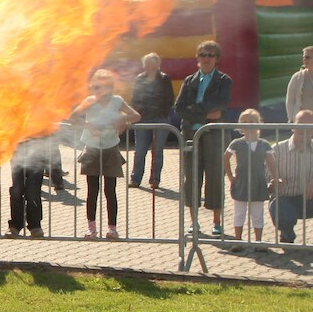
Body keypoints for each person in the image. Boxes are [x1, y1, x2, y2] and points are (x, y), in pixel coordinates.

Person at [70, 69, 140, 239]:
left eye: (104, 86)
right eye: (96, 86)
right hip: (92, 149)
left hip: (111, 148)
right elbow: (73, 117)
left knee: (110, 191)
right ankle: (91, 228)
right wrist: (88, 126)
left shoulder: (117, 101)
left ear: (110, 87)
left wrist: (122, 119)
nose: (99, 90)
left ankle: (112, 228)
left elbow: (136, 115)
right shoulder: (89, 101)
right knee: (92, 191)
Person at [175, 40, 233, 236]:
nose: (206, 58)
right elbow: (179, 108)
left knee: (215, 176)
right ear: (197, 58)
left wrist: (194, 110)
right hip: (190, 134)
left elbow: (219, 107)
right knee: (191, 177)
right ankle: (194, 223)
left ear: (216, 59)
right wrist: (204, 114)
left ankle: (217, 222)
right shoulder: (189, 81)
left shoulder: (224, 80)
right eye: (203, 54)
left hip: (214, 134)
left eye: (210, 55)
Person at [223, 109, 276, 248]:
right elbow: (225, 158)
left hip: (259, 183)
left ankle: (258, 242)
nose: (248, 124)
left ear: (258, 124)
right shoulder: (236, 143)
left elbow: (271, 162)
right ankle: (238, 241)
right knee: (239, 213)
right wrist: (230, 175)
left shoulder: (264, 144)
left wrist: (275, 178)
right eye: (245, 122)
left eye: (252, 121)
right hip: (241, 182)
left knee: (257, 214)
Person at [129, 52, 175, 189]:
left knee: (157, 151)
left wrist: (163, 113)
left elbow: (169, 98)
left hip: (160, 118)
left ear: (158, 64)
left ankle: (155, 179)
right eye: (147, 64)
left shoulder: (164, 78)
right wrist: (138, 112)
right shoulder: (139, 79)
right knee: (140, 151)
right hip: (143, 119)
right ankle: (135, 179)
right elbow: (135, 98)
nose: (149, 66)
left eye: (152, 63)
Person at [269, 109, 313, 244]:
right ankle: (287, 233)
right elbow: (265, 177)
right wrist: (272, 183)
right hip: (286, 198)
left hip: (310, 198)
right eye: (300, 125)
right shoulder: (277, 149)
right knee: (277, 206)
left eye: (309, 126)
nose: (304, 130)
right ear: (293, 126)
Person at [7, 133, 53, 238]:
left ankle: (35, 226)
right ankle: (15, 225)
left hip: (38, 153)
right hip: (17, 151)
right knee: (17, 190)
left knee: (33, 191)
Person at [286, 47, 313, 123]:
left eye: (308, 57)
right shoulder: (297, 77)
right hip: (302, 121)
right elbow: (290, 100)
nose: (304, 60)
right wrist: (291, 119)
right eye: (303, 57)